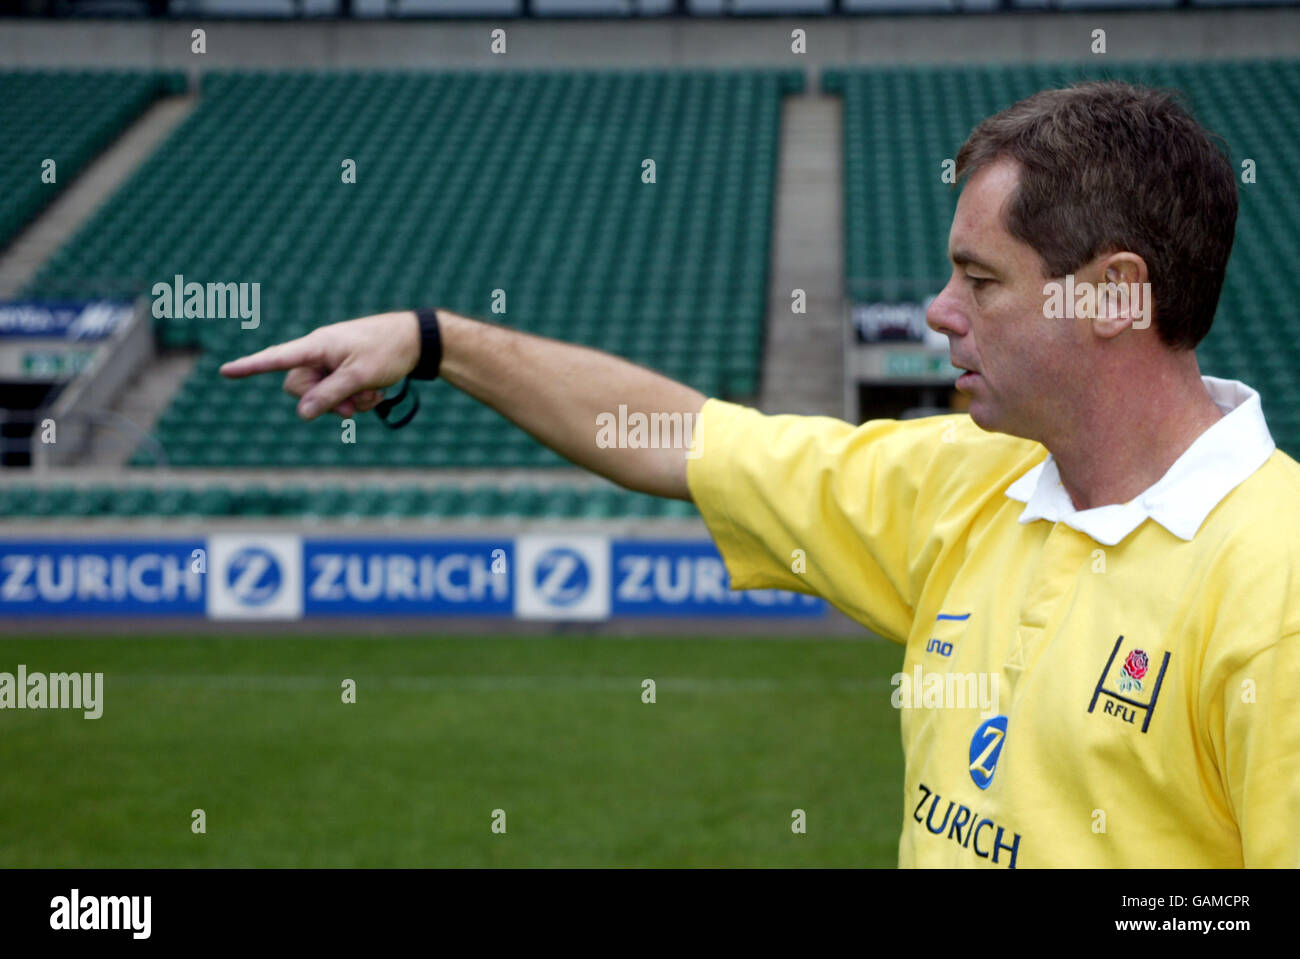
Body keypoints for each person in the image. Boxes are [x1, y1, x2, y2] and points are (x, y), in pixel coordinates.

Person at [221, 81, 1299, 868]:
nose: (937, 311)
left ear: (1111, 295)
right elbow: (678, 436)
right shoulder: (965, 480)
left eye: (979, 279)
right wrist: (435, 339)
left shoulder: (1276, 583)